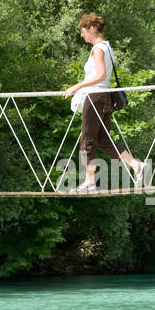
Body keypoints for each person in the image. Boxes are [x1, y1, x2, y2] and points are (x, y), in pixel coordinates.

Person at [61, 13, 146, 192]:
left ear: (91, 29)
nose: (82, 35)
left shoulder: (98, 48)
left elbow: (99, 75)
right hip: (105, 97)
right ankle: (136, 165)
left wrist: (77, 86)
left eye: (83, 31)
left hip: (96, 97)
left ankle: (90, 183)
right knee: (103, 139)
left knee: (87, 139)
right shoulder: (107, 47)